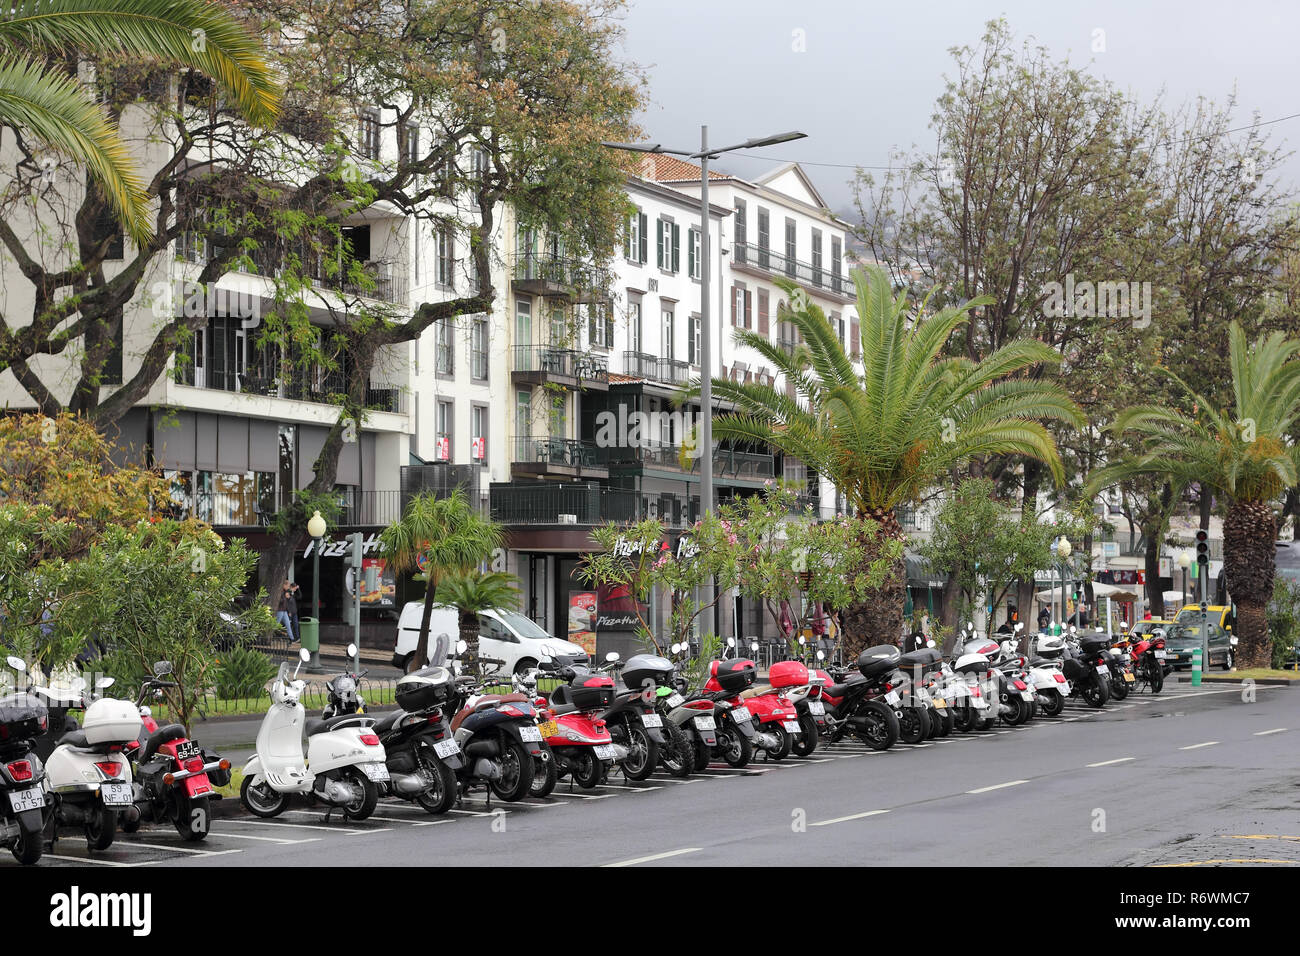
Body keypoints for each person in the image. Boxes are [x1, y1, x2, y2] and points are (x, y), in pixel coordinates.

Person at [277, 580, 301, 644]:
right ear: (284, 585)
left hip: (284, 610)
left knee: (288, 625)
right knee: (276, 624)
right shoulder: (281, 592)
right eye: (287, 586)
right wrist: (285, 597)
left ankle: (292, 639)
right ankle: (273, 636)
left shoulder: (286, 592)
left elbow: (286, 603)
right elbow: (280, 601)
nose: (288, 587)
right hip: (280, 610)